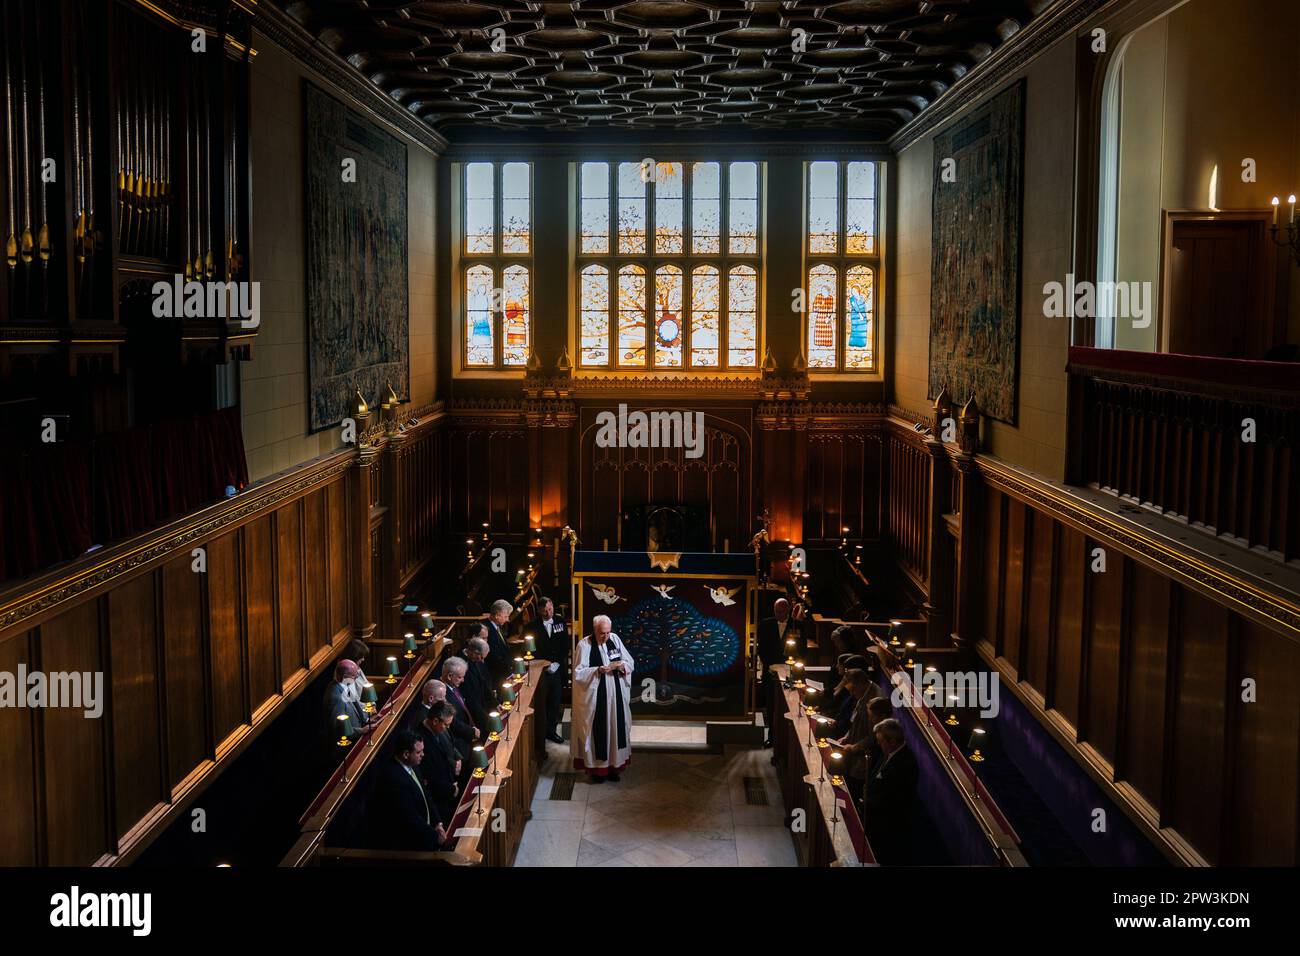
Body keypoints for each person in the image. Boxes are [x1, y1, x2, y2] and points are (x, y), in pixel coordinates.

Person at [571, 614, 634, 783]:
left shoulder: (614, 639)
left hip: (616, 697)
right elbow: (578, 673)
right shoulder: (584, 645)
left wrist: (622, 666)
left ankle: (614, 767)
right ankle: (597, 770)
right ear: (594, 630)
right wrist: (598, 670)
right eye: (602, 633)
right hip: (596, 698)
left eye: (607, 632)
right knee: (600, 731)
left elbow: (629, 662)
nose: (606, 637)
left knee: (615, 729)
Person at [370, 731, 446, 850]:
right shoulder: (393, 778)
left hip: (426, 830)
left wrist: (438, 823)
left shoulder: (412, 763)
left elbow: (426, 795)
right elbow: (409, 817)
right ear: (406, 754)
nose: (423, 755)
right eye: (419, 752)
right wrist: (434, 836)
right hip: (409, 844)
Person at [863, 717, 919, 865]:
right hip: (875, 814)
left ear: (892, 741)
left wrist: (866, 803)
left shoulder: (905, 764)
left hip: (887, 825)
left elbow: (892, 798)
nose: (879, 744)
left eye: (881, 741)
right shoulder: (889, 752)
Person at [828, 670, 883, 803]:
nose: (851, 694)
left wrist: (853, 747)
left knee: (851, 792)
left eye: (853, 690)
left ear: (860, 684)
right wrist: (847, 736)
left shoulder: (873, 700)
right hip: (853, 749)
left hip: (861, 761)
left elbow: (873, 736)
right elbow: (855, 720)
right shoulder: (861, 693)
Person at [757, 598, 803, 746]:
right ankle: (771, 736)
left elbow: (802, 651)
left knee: (788, 706)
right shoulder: (765, 624)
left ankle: (784, 740)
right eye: (777, 611)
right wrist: (772, 666)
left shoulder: (797, 625)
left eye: (782, 611)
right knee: (771, 706)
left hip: (790, 673)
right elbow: (762, 649)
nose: (779, 614)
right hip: (771, 673)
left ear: (788, 610)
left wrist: (791, 667)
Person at [415, 702, 462, 828]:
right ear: (435, 721)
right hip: (439, 799)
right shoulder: (421, 740)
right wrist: (451, 789)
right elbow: (429, 777)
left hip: (449, 787)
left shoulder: (437, 731)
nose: (447, 728)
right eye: (446, 725)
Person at [529, 596, 569, 744]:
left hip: (557, 670)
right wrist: (544, 664)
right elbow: (531, 650)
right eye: (545, 611)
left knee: (555, 701)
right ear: (539, 610)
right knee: (542, 703)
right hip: (540, 671)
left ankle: (551, 731)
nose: (548, 613)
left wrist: (557, 663)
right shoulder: (531, 626)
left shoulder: (560, 622)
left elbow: (565, 645)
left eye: (550, 609)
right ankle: (540, 733)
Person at [323, 660, 376, 743]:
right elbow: (338, 727)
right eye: (354, 677)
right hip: (347, 745)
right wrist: (362, 730)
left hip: (358, 734)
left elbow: (356, 707)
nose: (356, 678)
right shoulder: (336, 697)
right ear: (344, 676)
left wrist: (367, 719)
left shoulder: (346, 684)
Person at [440, 657, 480, 762]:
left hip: (467, 738)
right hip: (459, 743)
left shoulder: (453, 686)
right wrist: (471, 732)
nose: (463, 680)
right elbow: (452, 721)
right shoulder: (442, 693)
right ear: (449, 676)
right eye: (460, 677)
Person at [461, 634, 496, 731]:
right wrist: (484, 717)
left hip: (482, 706)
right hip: (474, 711)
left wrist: (495, 703)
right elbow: (469, 696)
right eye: (481, 657)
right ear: (475, 652)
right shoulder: (461, 663)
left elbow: (483, 683)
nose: (482, 660)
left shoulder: (476, 661)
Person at [483, 599, 514, 680]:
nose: (508, 619)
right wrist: (509, 673)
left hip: (503, 672)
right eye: (506, 616)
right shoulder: (486, 630)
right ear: (497, 615)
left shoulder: (498, 626)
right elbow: (494, 657)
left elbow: (505, 650)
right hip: (495, 676)